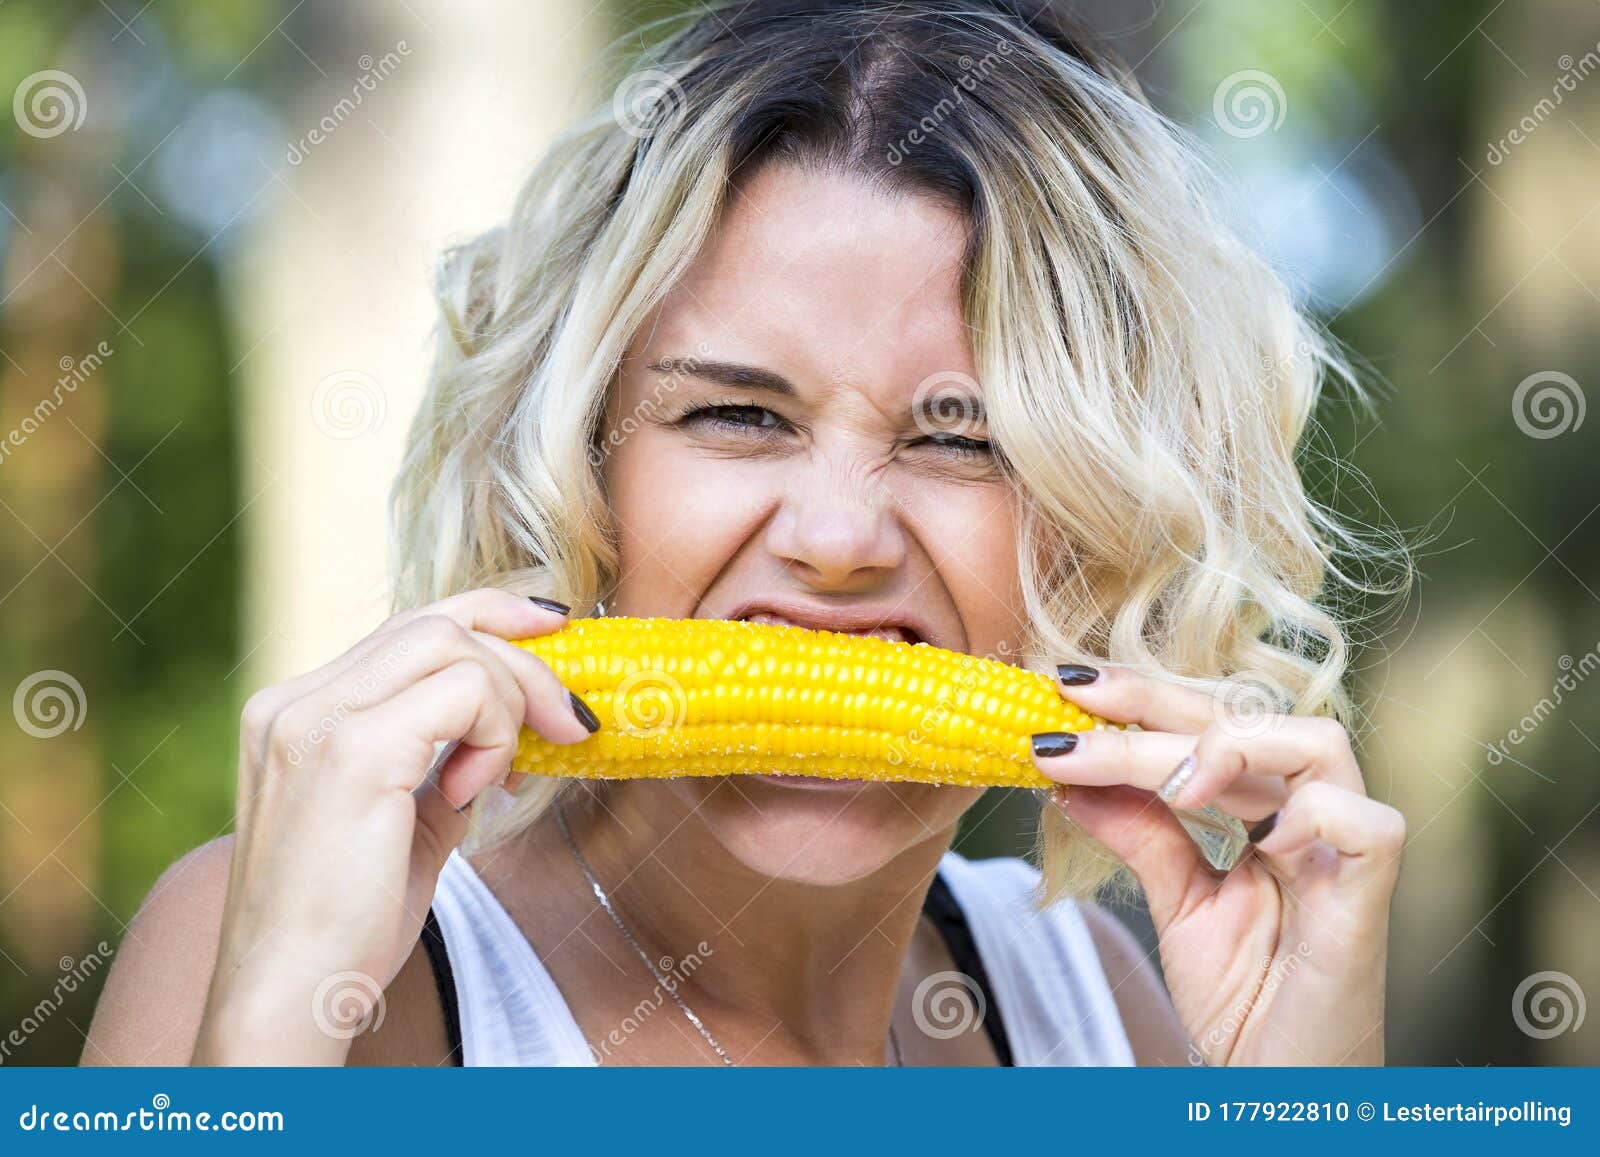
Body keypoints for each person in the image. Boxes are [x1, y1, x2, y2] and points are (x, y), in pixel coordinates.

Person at [84, 0, 1407, 1067]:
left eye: (965, 439)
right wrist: (273, 1035)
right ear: (582, 468)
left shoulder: (1101, 1008)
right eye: (736, 414)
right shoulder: (312, 958)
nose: (839, 538)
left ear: (1096, 521)